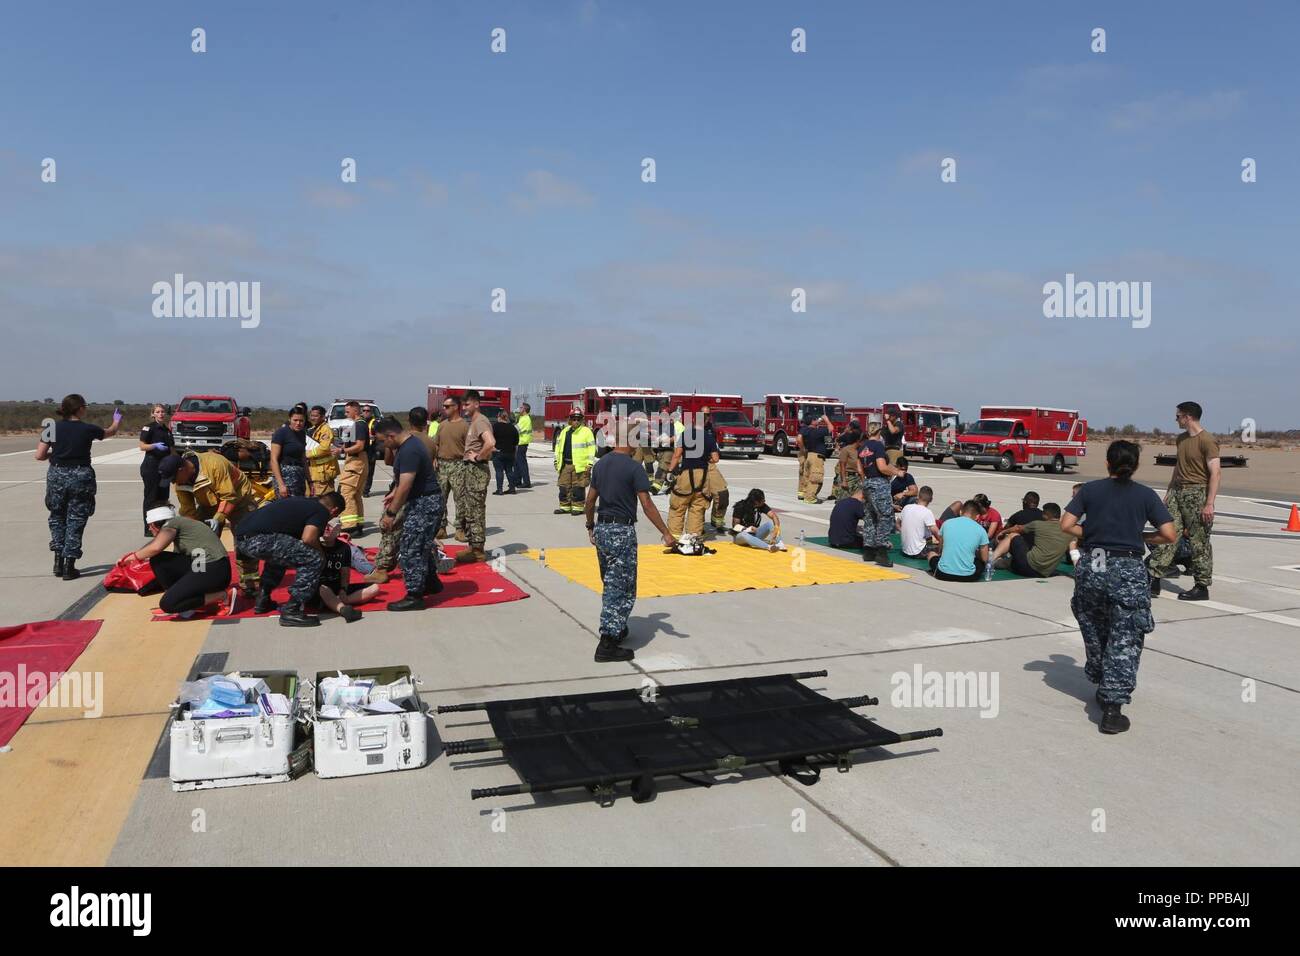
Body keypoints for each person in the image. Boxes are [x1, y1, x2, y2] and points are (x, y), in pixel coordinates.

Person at [1062, 440, 1176, 734]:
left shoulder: (1090, 490)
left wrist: (1091, 533)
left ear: (1107, 463)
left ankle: (1101, 674)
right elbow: (1169, 534)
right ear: (1135, 465)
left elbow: (1066, 524)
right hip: (1127, 566)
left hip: (1095, 563)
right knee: (1125, 633)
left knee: (1094, 622)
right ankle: (1112, 707)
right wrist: (1143, 538)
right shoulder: (1145, 495)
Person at [583, 439, 675, 662]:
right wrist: (666, 532)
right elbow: (647, 505)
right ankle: (607, 643)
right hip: (621, 531)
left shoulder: (601, 464)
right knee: (621, 587)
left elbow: (590, 499)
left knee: (610, 582)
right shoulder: (634, 468)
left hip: (603, 529)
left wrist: (590, 525)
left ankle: (617, 627)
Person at [160, 450, 274, 595]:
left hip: (239, 499)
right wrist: (195, 531)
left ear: (182, 469)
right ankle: (198, 580)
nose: (173, 482)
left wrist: (218, 518)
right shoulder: (181, 481)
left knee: (244, 539)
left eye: (174, 478)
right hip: (210, 502)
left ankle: (250, 584)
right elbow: (188, 510)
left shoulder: (214, 464)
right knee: (196, 542)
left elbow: (229, 496)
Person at [36, 395, 124, 580]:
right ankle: (69, 564)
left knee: (57, 516)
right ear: (80, 409)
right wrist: (116, 421)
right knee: (76, 518)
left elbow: (39, 455)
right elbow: (110, 432)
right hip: (81, 476)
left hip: (57, 476)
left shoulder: (52, 427)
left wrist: (58, 452)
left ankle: (58, 559)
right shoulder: (88, 429)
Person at [234, 491, 345, 627]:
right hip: (257, 540)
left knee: (283, 555)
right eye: (334, 516)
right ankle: (292, 610)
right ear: (334, 510)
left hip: (242, 539)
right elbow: (308, 538)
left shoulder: (304, 502)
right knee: (314, 559)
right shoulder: (321, 511)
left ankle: (263, 599)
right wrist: (322, 553)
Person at [1147, 401, 1220, 601]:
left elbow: (1215, 473)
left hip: (1197, 493)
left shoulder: (1207, 441)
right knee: (1169, 533)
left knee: (1199, 541)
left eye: (1178, 416)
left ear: (1188, 416)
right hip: (1178, 492)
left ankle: (1201, 586)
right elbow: (1178, 467)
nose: (1176, 419)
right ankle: (1154, 579)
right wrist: (1169, 491)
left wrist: (1209, 503)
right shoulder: (1181, 440)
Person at [375, 417, 445, 609]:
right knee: (420, 544)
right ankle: (431, 582)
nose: (383, 445)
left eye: (383, 441)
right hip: (423, 501)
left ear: (391, 435)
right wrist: (393, 492)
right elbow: (403, 482)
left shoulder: (409, 450)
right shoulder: (409, 445)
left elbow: (406, 484)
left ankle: (415, 595)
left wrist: (391, 513)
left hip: (424, 503)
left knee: (410, 549)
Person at [133, 506, 232, 617]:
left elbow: (156, 547)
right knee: (159, 559)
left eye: (150, 526)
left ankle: (221, 595)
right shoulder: (182, 525)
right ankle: (180, 600)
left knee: (167, 605)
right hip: (206, 567)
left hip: (214, 570)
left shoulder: (171, 525)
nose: (150, 529)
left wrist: (132, 557)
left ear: (153, 525)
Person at [308, 518, 379, 622]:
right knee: (323, 588)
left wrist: (343, 589)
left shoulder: (344, 548)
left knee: (375, 588)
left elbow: (345, 572)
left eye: (330, 526)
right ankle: (343, 610)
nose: (326, 528)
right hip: (318, 589)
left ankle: (338, 602)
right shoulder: (314, 545)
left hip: (336, 588)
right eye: (325, 526)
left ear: (338, 531)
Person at [454, 389, 496, 564]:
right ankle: (473, 546)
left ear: (476, 404)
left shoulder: (480, 422)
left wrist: (478, 457)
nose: (464, 407)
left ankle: (477, 550)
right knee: (470, 510)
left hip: (476, 470)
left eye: (467, 404)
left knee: (475, 511)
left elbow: (491, 443)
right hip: (471, 471)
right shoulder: (474, 421)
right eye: (463, 404)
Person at [666, 409, 718, 545]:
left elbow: (677, 455)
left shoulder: (685, 434)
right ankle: (693, 538)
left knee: (678, 505)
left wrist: (670, 471)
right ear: (706, 421)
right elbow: (715, 458)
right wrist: (706, 460)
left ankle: (674, 538)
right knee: (698, 507)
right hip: (702, 475)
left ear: (694, 420)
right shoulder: (709, 437)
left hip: (686, 474)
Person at [990, 503, 1073, 578]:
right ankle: (1004, 562)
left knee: (1013, 535)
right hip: (1043, 574)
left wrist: (1003, 532)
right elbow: (1071, 553)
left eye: (1043, 513)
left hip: (1026, 566)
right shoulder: (1069, 532)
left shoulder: (1038, 524)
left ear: (1047, 515)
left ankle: (991, 560)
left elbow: (1018, 528)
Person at [857, 423, 897, 567]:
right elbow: (882, 467)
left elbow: (860, 469)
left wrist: (866, 482)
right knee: (885, 516)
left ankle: (868, 550)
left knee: (870, 517)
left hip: (867, 484)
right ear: (879, 432)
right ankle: (881, 552)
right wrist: (896, 472)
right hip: (879, 484)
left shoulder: (862, 447)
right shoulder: (878, 446)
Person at [928, 500, 990, 582]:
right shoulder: (981, 530)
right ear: (977, 516)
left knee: (931, 554)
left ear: (961, 512)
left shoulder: (947, 523)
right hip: (969, 577)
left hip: (942, 574)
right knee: (980, 563)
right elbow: (985, 558)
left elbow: (941, 550)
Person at [138, 403, 174, 535]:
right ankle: (149, 527)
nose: (161, 414)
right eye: (158, 412)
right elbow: (142, 446)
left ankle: (162, 525)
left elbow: (172, 449)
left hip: (165, 467)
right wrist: (154, 446)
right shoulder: (149, 428)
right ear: (153, 414)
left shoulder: (167, 430)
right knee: (151, 498)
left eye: (163, 412)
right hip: (151, 466)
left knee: (163, 498)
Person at [553, 409, 596, 516]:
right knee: (563, 487)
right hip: (565, 465)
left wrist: (590, 463)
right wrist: (556, 460)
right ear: (570, 420)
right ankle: (565, 506)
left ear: (582, 420)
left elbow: (592, 449)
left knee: (578, 488)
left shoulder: (586, 432)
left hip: (580, 466)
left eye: (578, 419)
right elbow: (558, 447)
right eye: (573, 419)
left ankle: (578, 507)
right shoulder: (564, 431)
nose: (576, 421)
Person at [434, 395, 464, 539]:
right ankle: (441, 527)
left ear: (456, 407)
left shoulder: (465, 426)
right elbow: (436, 444)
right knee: (440, 499)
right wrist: (434, 458)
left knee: (460, 499)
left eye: (447, 406)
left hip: (459, 465)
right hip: (442, 465)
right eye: (444, 406)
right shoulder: (442, 425)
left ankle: (460, 529)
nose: (444, 409)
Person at [338, 400, 369, 533]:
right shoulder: (355, 425)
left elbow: (360, 446)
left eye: (347, 411)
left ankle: (349, 525)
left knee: (346, 493)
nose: (345, 413)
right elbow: (351, 444)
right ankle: (358, 523)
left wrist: (342, 451)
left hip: (356, 462)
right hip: (356, 461)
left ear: (356, 411)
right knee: (356, 494)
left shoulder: (360, 425)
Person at [701, 408, 730, 534]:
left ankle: (717, 520)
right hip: (696, 465)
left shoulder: (711, 429)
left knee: (722, 493)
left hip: (710, 464)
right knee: (700, 497)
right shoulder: (691, 429)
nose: (706, 417)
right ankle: (697, 525)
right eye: (704, 414)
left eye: (708, 414)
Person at [269, 407, 309, 498]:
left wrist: (310, 481)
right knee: (286, 508)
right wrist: (281, 484)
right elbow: (273, 460)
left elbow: (303, 459)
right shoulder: (281, 433)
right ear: (289, 419)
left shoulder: (302, 434)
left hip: (299, 477)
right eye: (295, 420)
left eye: (301, 421)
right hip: (285, 477)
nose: (298, 423)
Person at [796, 414, 832, 503]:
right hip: (816, 457)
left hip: (809, 455)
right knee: (816, 477)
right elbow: (831, 429)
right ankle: (810, 498)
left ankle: (805, 494)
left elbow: (799, 438)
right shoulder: (818, 431)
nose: (818, 420)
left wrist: (803, 449)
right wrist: (826, 420)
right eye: (816, 419)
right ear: (812, 421)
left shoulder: (806, 430)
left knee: (807, 476)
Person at [306, 405, 339, 495]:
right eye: (311, 415)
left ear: (323, 417)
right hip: (316, 470)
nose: (313, 418)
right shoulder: (313, 429)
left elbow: (324, 448)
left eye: (316, 416)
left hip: (324, 471)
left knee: (325, 499)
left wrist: (306, 454)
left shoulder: (326, 430)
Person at [899, 486, 941, 559]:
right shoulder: (927, 512)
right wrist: (942, 543)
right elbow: (935, 532)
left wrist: (905, 532)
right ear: (931, 499)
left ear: (918, 496)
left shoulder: (907, 507)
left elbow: (897, 523)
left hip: (905, 550)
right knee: (944, 549)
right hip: (919, 552)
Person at [832, 418, 863, 500]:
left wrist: (845, 431)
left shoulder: (848, 434)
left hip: (847, 460)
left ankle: (835, 493)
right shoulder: (861, 434)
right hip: (852, 464)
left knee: (838, 474)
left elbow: (838, 439)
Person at [492, 409, 519, 495]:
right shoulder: (512, 428)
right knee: (509, 471)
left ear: (499, 417)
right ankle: (512, 488)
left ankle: (499, 490)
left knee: (499, 471)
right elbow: (516, 441)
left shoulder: (495, 426)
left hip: (498, 452)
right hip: (510, 453)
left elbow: (490, 439)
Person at [362, 404, 380, 497]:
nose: (365, 412)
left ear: (371, 412)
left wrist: (374, 437)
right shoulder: (360, 422)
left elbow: (381, 436)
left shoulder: (375, 423)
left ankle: (366, 491)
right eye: (364, 410)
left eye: (368, 411)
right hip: (361, 451)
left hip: (371, 451)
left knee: (369, 472)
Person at [514, 402, 533, 488]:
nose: (519, 409)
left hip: (522, 443)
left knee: (522, 464)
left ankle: (526, 482)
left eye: (521, 408)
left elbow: (516, 429)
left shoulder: (525, 419)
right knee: (517, 463)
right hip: (520, 443)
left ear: (524, 410)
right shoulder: (522, 418)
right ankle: (517, 481)